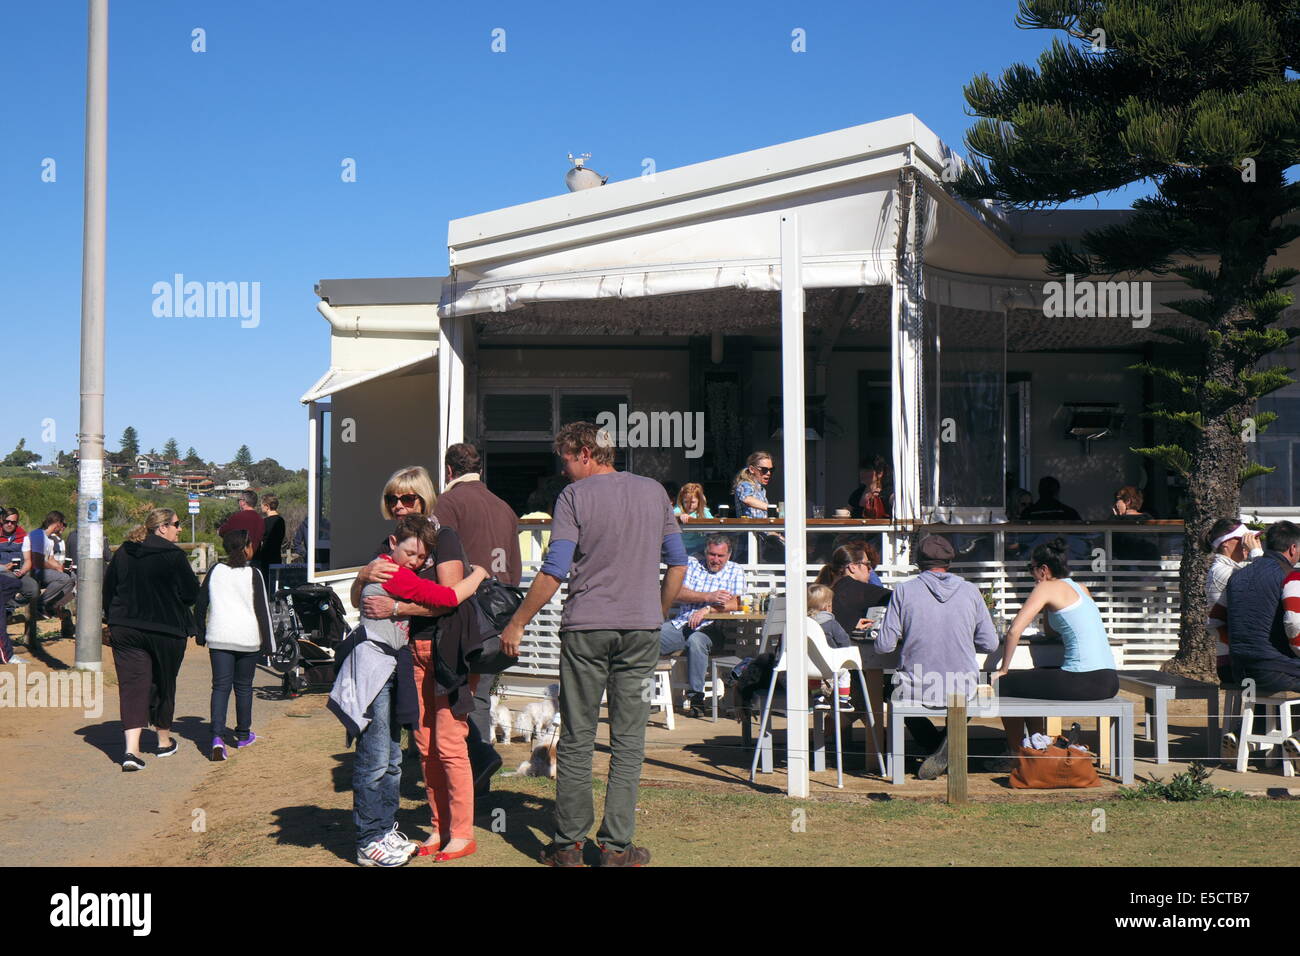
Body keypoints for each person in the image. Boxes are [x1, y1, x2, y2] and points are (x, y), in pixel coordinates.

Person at [501, 421, 687, 867]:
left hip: (586, 629)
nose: (562, 471)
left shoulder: (573, 498)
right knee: (628, 740)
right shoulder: (654, 492)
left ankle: (566, 846)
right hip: (640, 632)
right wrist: (657, 612)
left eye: (565, 460)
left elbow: (555, 568)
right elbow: (678, 564)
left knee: (579, 737)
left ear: (585, 453)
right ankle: (616, 849)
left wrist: (518, 622)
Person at [351, 464, 484, 860]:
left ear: (426, 497)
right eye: (392, 498)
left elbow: (448, 597)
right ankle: (438, 827)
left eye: (408, 497)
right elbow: (364, 595)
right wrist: (361, 575)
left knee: (449, 743)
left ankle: (461, 832)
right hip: (409, 654)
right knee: (424, 747)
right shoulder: (390, 544)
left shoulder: (444, 537)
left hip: (446, 651)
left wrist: (396, 606)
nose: (399, 505)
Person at [431, 442, 523, 802]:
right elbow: (513, 569)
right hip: (500, 610)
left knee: (452, 695)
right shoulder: (505, 507)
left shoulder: (448, 502)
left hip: (465, 609)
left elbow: (442, 554)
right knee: (479, 695)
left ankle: (467, 779)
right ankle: (478, 783)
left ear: (449, 471)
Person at [874, 534, 999, 779]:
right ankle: (944, 750)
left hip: (917, 687)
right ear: (950, 561)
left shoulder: (904, 591)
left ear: (918, 562)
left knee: (889, 691)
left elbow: (884, 646)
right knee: (972, 691)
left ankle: (937, 748)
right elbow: (991, 643)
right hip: (962, 687)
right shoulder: (971, 591)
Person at [991, 538, 1119, 765]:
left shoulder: (1046, 586)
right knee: (1035, 677)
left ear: (1044, 569)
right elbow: (1051, 631)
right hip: (1108, 679)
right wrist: (1045, 606)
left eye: (1031, 568)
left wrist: (1003, 669)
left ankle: (1016, 755)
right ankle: (1038, 747)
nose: (1030, 574)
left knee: (1004, 685)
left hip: (1083, 680)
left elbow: (1014, 631)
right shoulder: (1080, 588)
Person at [102, 508, 200, 771]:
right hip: (166, 630)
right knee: (163, 682)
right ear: (162, 528)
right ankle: (163, 740)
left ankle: (131, 751)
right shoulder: (173, 556)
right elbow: (192, 593)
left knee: (133, 686)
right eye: (177, 525)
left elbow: (108, 589)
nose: (180, 529)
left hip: (126, 627)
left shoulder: (124, 551)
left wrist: (111, 618)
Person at [194, 528, 273, 761]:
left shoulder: (215, 570)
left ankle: (217, 738)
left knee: (220, 687)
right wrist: (269, 644)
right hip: (247, 638)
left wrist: (200, 633)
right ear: (247, 547)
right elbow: (263, 611)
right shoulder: (254, 574)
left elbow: (200, 604)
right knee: (244, 687)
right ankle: (242, 735)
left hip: (219, 636)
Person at [658, 534, 745, 714]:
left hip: (714, 628)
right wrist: (709, 596)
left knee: (696, 641)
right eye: (712, 554)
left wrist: (707, 609)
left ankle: (696, 697)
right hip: (682, 625)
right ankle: (648, 693)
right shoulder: (693, 565)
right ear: (706, 553)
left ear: (729, 555)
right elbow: (677, 593)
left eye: (720, 556)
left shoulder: (735, 570)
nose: (715, 560)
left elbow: (737, 603)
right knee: (647, 638)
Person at [1225, 521, 1300, 697]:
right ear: (1293, 548)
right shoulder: (1291, 576)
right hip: (1275, 672)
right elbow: (1294, 624)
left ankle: (1262, 725)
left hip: (1239, 672)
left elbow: (1215, 620)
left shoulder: (1237, 576)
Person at [1204, 518, 1263, 683]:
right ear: (1225, 544)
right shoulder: (1223, 573)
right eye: (1242, 540)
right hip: (1235, 662)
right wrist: (1257, 554)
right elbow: (1265, 586)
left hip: (1235, 658)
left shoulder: (1231, 570)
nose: (1247, 544)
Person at [19, 511, 76, 644]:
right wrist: (57, 569)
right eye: (62, 524)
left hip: (42, 570)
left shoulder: (48, 539)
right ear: (57, 524)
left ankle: (52, 605)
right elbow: (37, 561)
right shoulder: (38, 536)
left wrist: (62, 568)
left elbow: (50, 559)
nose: (62, 527)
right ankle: (41, 605)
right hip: (33, 570)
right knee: (63, 579)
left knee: (71, 577)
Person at [732, 450, 783, 563]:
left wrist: (774, 533)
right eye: (764, 470)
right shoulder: (745, 484)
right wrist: (774, 509)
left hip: (761, 540)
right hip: (749, 540)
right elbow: (747, 499)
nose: (768, 473)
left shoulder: (761, 490)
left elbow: (762, 518)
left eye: (771, 470)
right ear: (752, 469)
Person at [0, 508, 38, 616]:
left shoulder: (23, 536)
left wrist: (22, 571)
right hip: (2, 571)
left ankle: (11, 605)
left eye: (13, 522)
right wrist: (3, 567)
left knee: (33, 589)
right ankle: (7, 608)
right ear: (2, 520)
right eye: (7, 521)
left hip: (18, 572)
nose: (9, 524)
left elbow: (28, 560)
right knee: (9, 580)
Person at [253, 493, 286, 583]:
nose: (260, 507)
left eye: (262, 505)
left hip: (265, 559)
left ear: (267, 506)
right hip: (277, 557)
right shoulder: (281, 521)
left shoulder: (264, 522)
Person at [673, 483, 713, 557]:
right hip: (681, 547)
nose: (690, 505)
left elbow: (712, 524)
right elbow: (670, 515)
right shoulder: (679, 509)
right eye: (686, 502)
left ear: (699, 501)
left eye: (693, 502)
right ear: (681, 501)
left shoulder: (703, 511)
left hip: (700, 548)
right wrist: (680, 515)